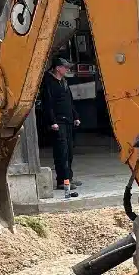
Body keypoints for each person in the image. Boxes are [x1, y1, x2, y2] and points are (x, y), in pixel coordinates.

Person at [39, 56, 80, 198]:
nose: (67, 69)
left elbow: (70, 100)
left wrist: (75, 116)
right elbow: (47, 104)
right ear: (58, 68)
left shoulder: (64, 81)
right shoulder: (49, 82)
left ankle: (69, 177)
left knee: (69, 151)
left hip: (68, 119)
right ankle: (62, 181)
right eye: (65, 67)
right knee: (61, 152)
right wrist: (52, 122)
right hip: (58, 122)